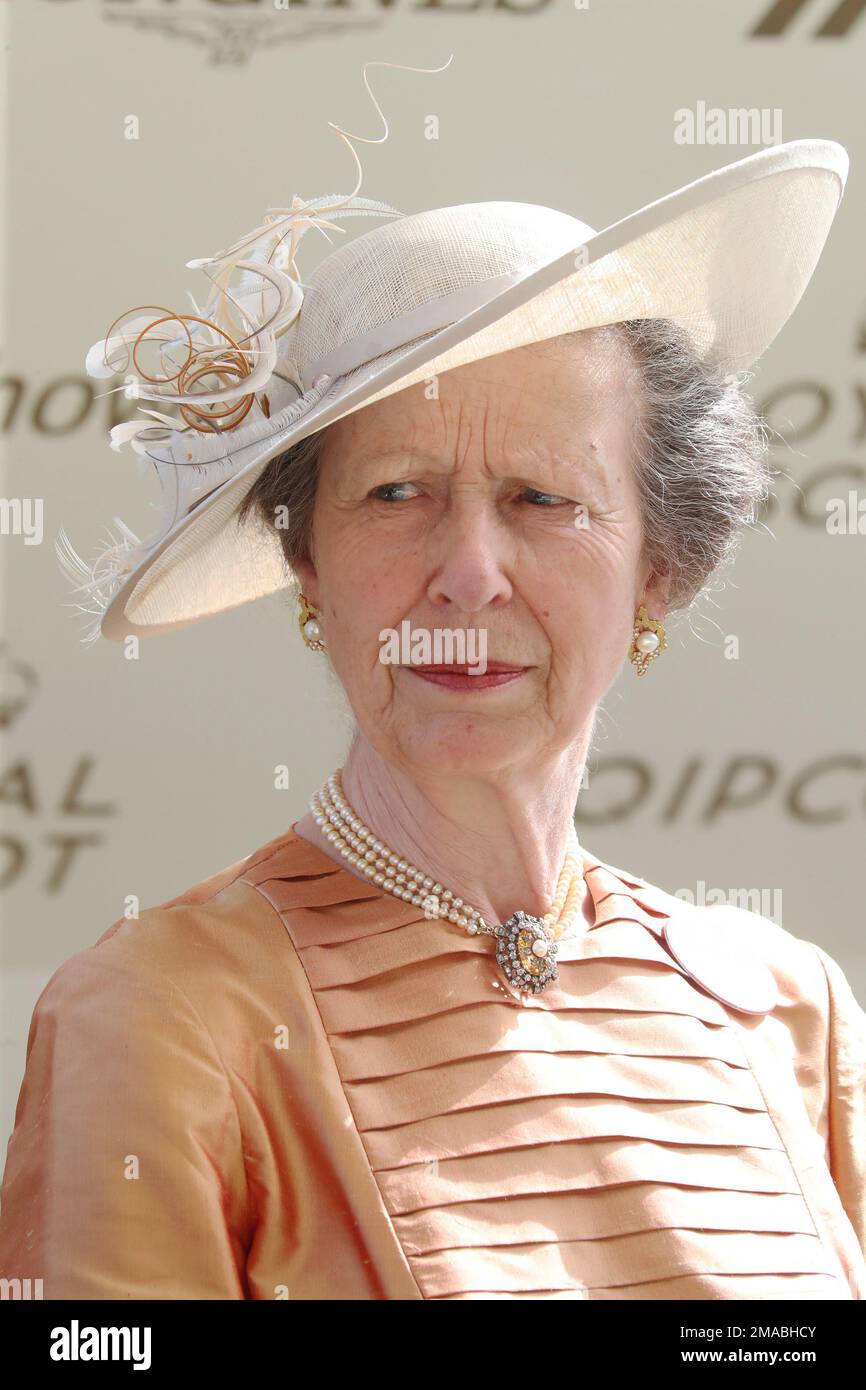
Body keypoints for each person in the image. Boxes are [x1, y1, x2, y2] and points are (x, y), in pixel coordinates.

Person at [1, 65, 863, 1298]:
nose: (467, 573)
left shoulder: (791, 1010)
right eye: (396, 493)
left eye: (542, 499)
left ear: (659, 567)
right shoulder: (154, 1016)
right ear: (309, 561)